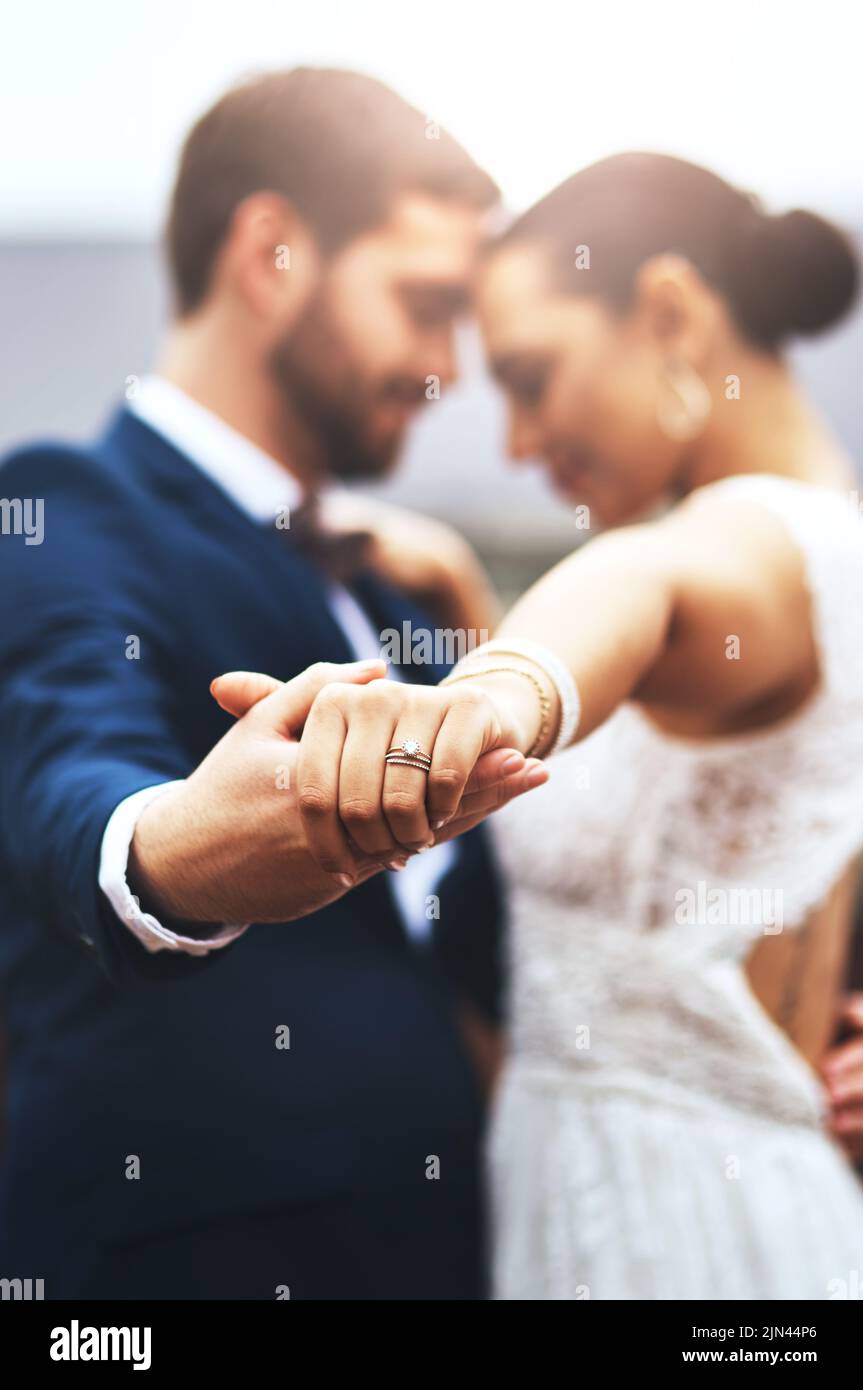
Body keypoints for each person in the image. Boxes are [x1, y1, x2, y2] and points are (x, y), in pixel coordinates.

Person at [257, 153, 863, 1298]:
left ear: (672, 312)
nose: (519, 444)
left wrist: (485, 698)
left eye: (532, 379)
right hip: (597, 1205)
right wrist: (463, 607)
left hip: (693, 1235)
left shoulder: (754, 540)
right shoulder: (817, 546)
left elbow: (643, 588)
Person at [0, 68, 546, 1300]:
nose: (448, 365)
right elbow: (70, 769)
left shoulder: (406, 597)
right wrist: (175, 849)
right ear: (272, 254)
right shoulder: (64, 506)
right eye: (424, 304)